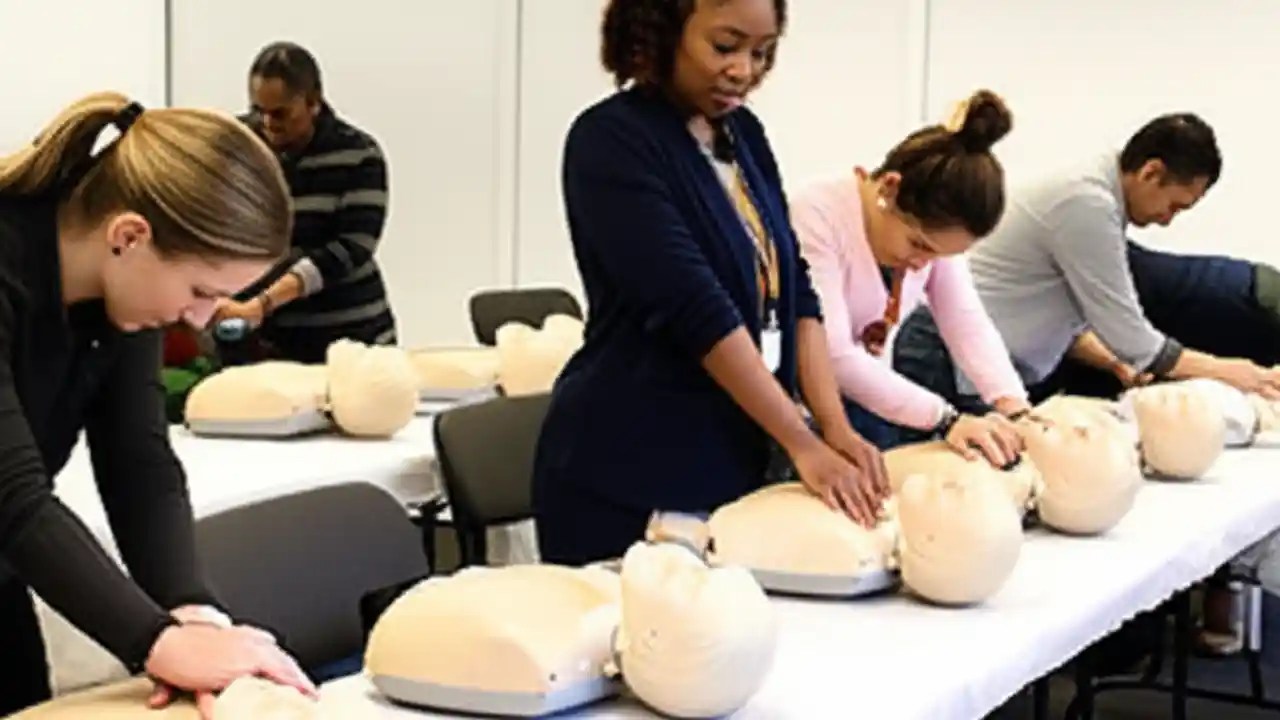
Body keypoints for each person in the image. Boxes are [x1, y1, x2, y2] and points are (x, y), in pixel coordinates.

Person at [532, 0, 891, 567]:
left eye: (762, 53)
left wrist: (834, 426)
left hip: (730, 458)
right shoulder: (610, 141)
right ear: (660, 32)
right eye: (725, 47)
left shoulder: (743, 136)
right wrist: (802, 442)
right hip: (631, 465)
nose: (743, 70)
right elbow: (696, 310)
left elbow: (794, 288)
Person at [0, 92, 314, 717]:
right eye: (200, 291)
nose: (201, 320)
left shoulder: (122, 294)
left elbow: (139, 464)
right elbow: (11, 493)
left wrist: (190, 608)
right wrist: (155, 641)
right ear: (129, 236)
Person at [894, 112, 1280, 408]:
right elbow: (1134, 339)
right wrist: (1234, 372)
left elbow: (1067, 320)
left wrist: (1115, 364)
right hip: (945, 358)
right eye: (1174, 206)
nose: (1167, 220)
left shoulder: (1098, 198)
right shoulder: (1086, 205)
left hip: (976, 363)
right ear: (1151, 172)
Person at [791, 90, 1028, 465]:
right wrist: (946, 418)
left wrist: (1014, 407)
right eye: (919, 245)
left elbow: (966, 321)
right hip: (795, 414)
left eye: (940, 256)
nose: (923, 264)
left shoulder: (931, 238)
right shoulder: (816, 212)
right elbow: (831, 352)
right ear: (889, 188)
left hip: (872, 400)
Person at [214, 41, 396, 364]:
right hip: (263, 344)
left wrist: (264, 303)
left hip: (348, 340)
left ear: (313, 102)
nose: (268, 123)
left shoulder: (360, 155)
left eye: (280, 113)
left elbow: (348, 250)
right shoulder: (237, 146)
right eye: (258, 110)